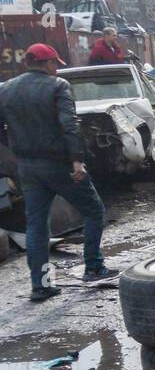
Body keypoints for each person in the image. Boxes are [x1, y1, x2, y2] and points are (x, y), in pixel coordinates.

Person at [0, 43, 112, 300]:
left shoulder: (5, 89)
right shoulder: (58, 86)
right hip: (59, 163)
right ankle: (94, 268)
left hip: (27, 166)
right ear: (48, 64)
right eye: (55, 65)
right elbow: (69, 125)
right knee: (93, 211)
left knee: (37, 225)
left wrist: (17, 149)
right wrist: (77, 161)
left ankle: (40, 285)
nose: (57, 70)